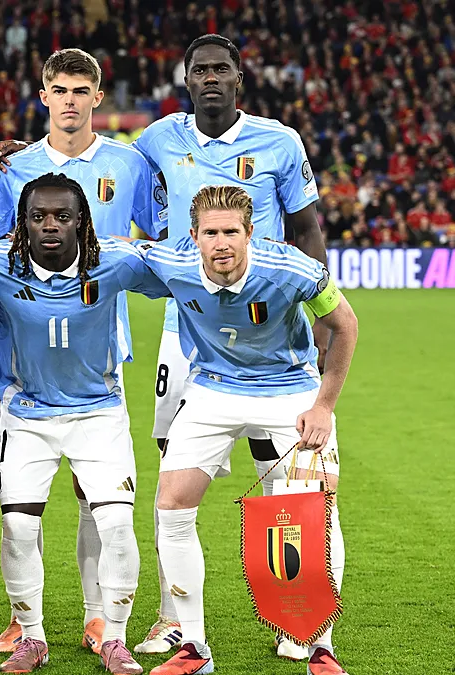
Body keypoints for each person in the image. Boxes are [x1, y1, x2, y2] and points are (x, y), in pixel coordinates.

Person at [0, 47, 165, 655]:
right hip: (27, 354)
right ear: (44, 96)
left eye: (81, 90)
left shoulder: (128, 164)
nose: (70, 101)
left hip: (100, 346)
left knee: (96, 499)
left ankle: (100, 618)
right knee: (24, 509)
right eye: (60, 90)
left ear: (97, 97)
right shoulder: (15, 167)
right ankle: (27, 623)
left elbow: (164, 239)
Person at [130, 34, 329, 659]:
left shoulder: (279, 141)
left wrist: (322, 326)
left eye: (222, 69)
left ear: (239, 79)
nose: (211, 77)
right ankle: (173, 618)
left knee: (283, 475)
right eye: (201, 70)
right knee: (174, 470)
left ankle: (293, 613)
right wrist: (20, 157)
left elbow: (306, 229)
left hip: (268, 333)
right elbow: (99, 168)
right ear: (187, 80)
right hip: (187, 327)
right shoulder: (158, 139)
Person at [138, 185, 355, 675]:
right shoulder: (171, 262)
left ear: (249, 232)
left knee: (317, 509)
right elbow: (108, 256)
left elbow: (346, 325)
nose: (221, 243)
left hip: (290, 390)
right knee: (171, 505)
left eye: (231, 232)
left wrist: (323, 406)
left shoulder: (291, 268)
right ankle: (194, 647)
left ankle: (320, 647)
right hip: (212, 389)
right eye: (210, 233)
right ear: (192, 236)